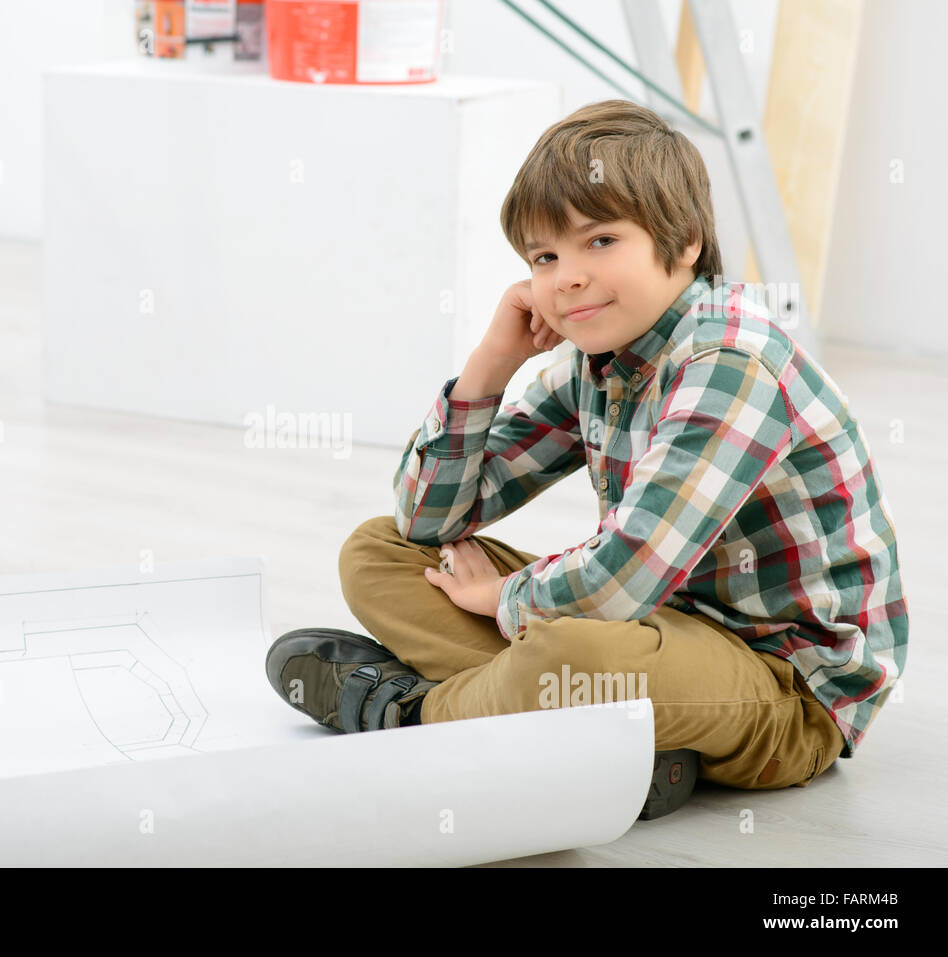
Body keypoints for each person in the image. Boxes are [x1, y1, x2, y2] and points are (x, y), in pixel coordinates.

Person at [265, 99, 908, 811]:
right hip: (652, 631)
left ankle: (414, 716)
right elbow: (426, 519)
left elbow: (621, 578)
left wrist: (501, 596)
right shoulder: (600, 361)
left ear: (685, 239)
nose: (566, 276)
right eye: (544, 257)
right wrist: (489, 365)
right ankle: (617, 738)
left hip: (787, 687)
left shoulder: (730, 359)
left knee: (566, 654)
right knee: (377, 552)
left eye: (599, 241)